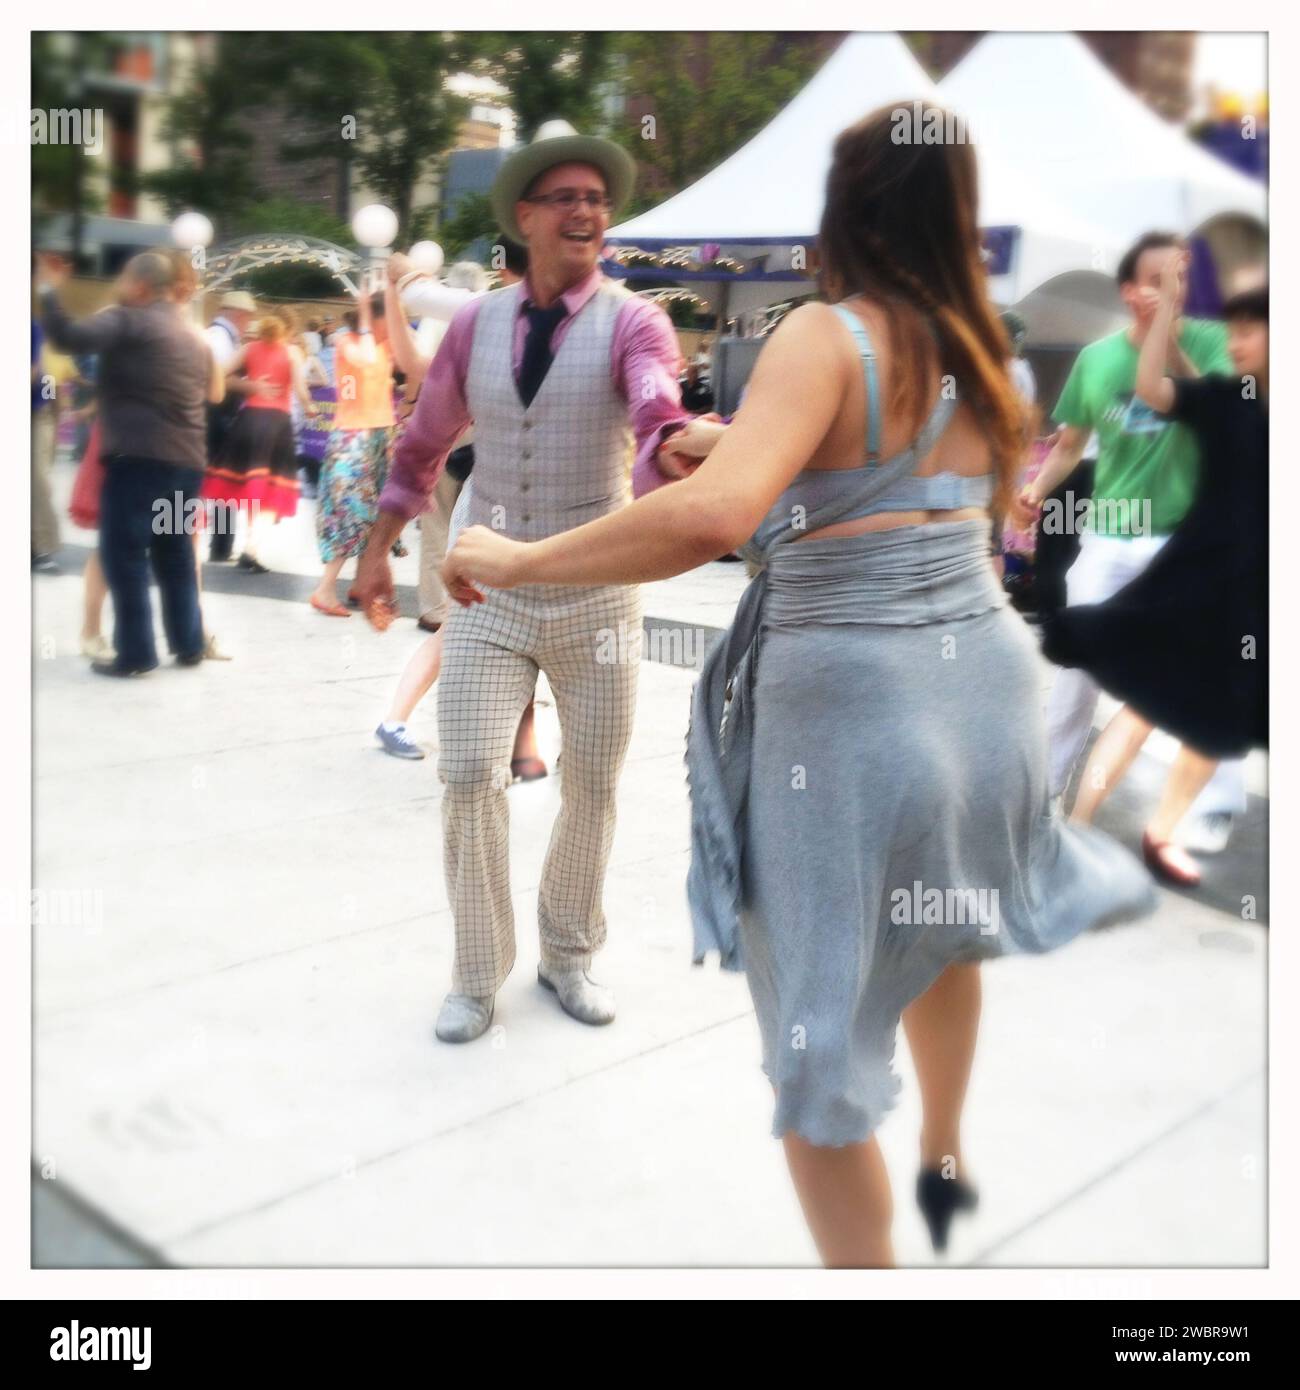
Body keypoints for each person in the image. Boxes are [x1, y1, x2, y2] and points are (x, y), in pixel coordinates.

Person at [442, 104, 1155, 1267]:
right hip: (981, 692)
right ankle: (941, 1143)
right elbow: (896, 480)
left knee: (815, 1055)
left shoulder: (827, 336)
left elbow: (719, 523)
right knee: (944, 930)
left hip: (856, 701)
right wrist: (737, 439)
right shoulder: (985, 347)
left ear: (848, 205)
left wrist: (517, 560)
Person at [354, 122, 693, 1043]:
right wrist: (376, 550)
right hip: (486, 591)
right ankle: (475, 971)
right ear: (525, 217)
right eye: (566, 197)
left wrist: (686, 448)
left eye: (597, 199)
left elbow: (660, 411)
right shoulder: (476, 322)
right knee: (467, 772)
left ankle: (569, 951)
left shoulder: (637, 322)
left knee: (593, 781)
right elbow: (423, 440)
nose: (586, 210)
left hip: (598, 592)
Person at [1010, 232, 1245, 855]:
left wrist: (1172, 339)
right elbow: (1068, 444)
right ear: (1128, 290)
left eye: (1181, 279)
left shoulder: (1217, 344)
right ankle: (1044, 802)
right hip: (1110, 538)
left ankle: (1206, 807)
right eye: (1157, 280)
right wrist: (1035, 489)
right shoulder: (1096, 360)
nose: (1171, 290)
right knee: (1076, 678)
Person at [1046, 268, 1268, 887]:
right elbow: (1155, 390)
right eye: (1240, 328)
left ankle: (1173, 822)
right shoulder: (1229, 400)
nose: (1240, 340)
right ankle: (1078, 824)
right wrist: (1168, 316)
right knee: (1141, 701)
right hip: (1194, 569)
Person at [374, 250, 547, 766]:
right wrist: (401, 284)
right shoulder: (503, 313)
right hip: (499, 502)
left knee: (505, 628)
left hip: (513, 503)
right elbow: (417, 362)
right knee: (483, 627)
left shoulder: (498, 315)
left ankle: (517, 746)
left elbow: (415, 357)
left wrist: (399, 282)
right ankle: (407, 722)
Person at [37, 251, 219, 676]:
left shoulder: (128, 319)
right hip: (186, 462)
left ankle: (136, 653)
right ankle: (188, 644)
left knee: (125, 554)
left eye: (123, 278)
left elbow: (66, 337)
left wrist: (48, 289)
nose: (118, 285)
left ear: (139, 286)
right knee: (174, 554)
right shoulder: (192, 334)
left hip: (138, 459)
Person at [309, 285, 395, 616]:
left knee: (376, 511)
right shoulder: (348, 342)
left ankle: (362, 583)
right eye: (390, 316)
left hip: (377, 434)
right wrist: (363, 316)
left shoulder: (386, 345)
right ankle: (326, 588)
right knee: (350, 510)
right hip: (353, 436)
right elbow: (365, 359)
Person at [204, 291, 256, 562]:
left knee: (214, 480)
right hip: (214, 416)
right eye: (248, 318)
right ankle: (218, 546)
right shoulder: (218, 338)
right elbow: (217, 376)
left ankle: (220, 545)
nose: (248, 323)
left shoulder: (220, 336)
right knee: (221, 480)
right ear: (239, 315)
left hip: (214, 416)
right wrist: (251, 386)